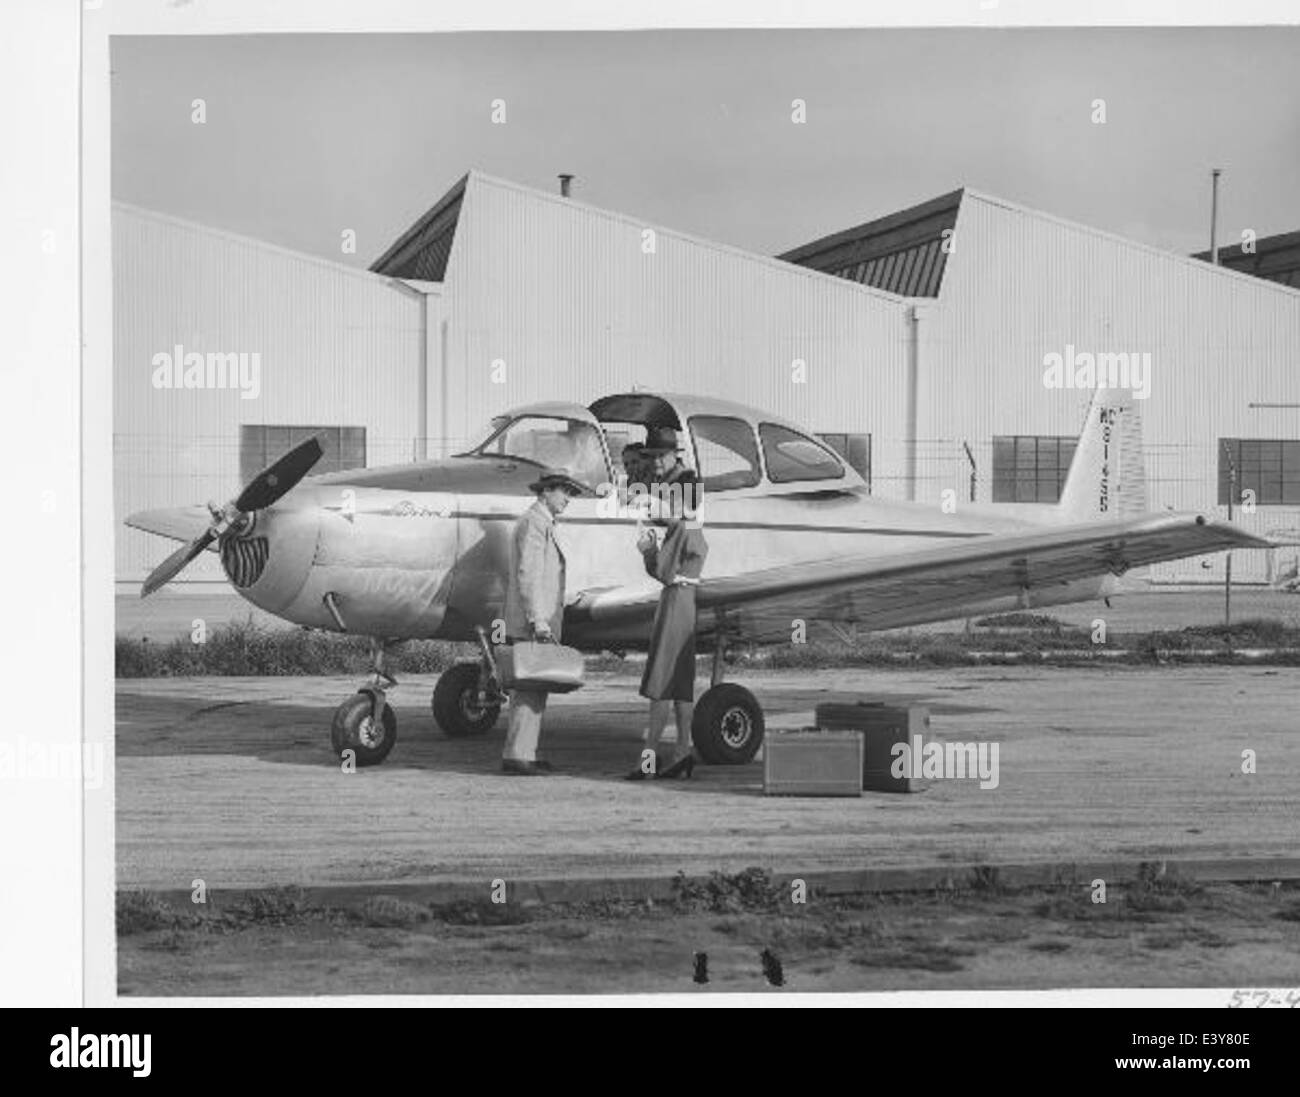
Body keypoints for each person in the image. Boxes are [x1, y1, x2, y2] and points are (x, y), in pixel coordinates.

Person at [626, 432, 708, 781]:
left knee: (660, 684)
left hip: (674, 600)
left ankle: (647, 762)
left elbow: (662, 571)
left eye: (661, 457)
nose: (656, 463)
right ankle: (682, 752)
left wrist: (646, 548)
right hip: (688, 600)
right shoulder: (695, 529)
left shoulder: (681, 527)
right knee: (681, 683)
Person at [500, 467, 585, 776]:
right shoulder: (535, 523)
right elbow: (529, 574)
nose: (568, 498)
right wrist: (539, 620)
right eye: (564, 491)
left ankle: (525, 752)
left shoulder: (540, 522)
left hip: (535, 620)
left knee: (535, 687)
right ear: (546, 491)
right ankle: (518, 756)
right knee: (529, 689)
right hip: (532, 621)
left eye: (571, 493)